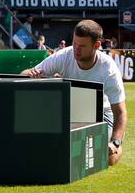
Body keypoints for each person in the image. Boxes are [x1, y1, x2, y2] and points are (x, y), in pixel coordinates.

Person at [22, 19, 125, 166]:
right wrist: (31, 74)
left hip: (101, 112)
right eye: (75, 43)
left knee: (108, 158)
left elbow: (120, 112)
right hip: (70, 110)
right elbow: (24, 74)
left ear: (96, 46)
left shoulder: (108, 69)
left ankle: (114, 142)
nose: (76, 49)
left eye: (82, 46)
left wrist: (115, 142)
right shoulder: (64, 56)